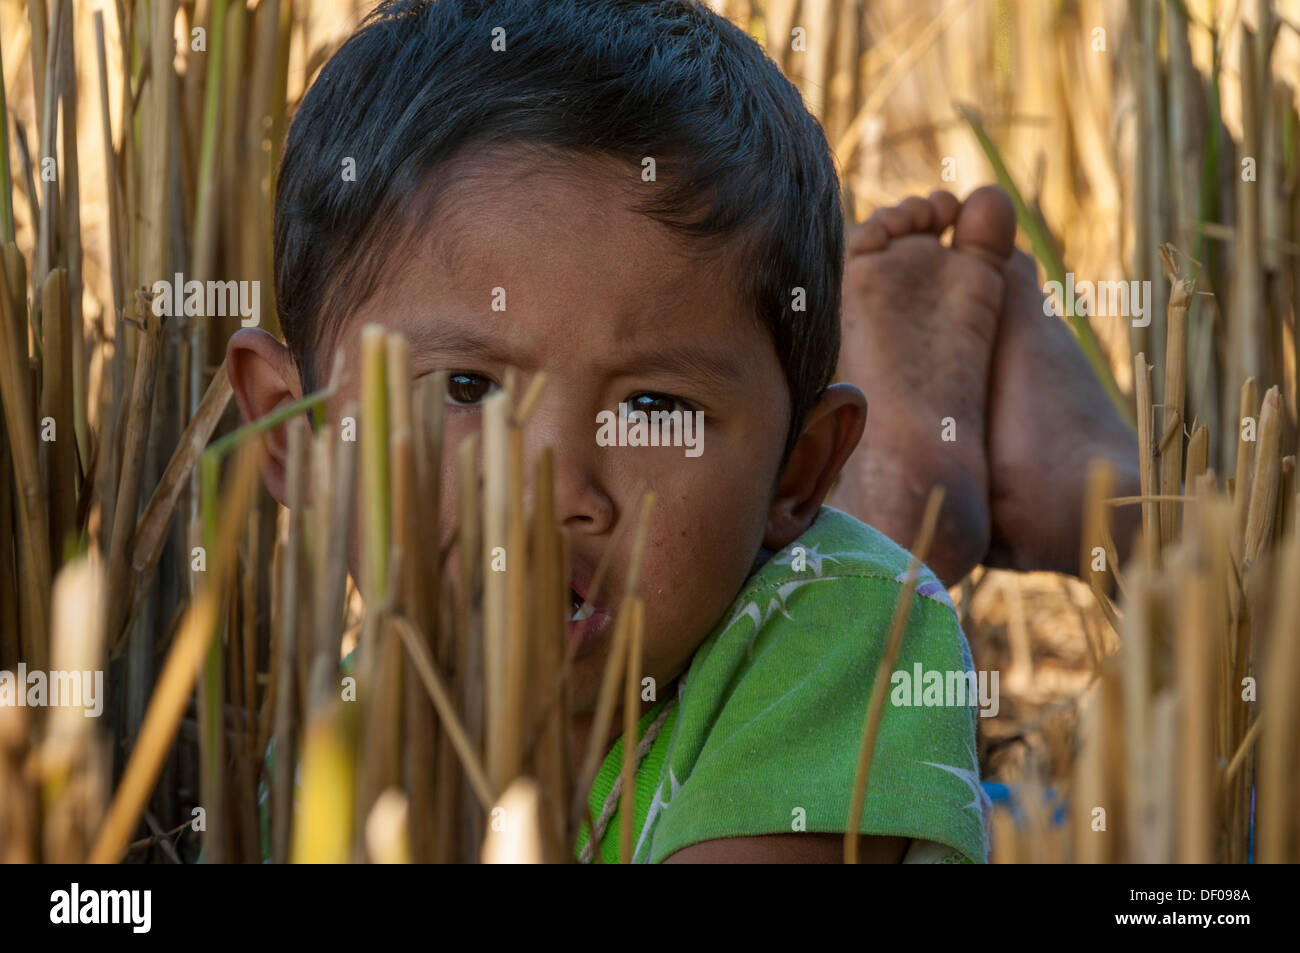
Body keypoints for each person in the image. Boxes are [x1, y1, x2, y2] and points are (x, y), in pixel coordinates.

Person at [227, 0, 1136, 863]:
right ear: (291, 435)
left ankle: (1114, 498)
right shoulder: (342, 728)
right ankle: (912, 488)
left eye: (655, 407)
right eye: (467, 387)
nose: (561, 492)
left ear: (799, 469)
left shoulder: (850, 628)